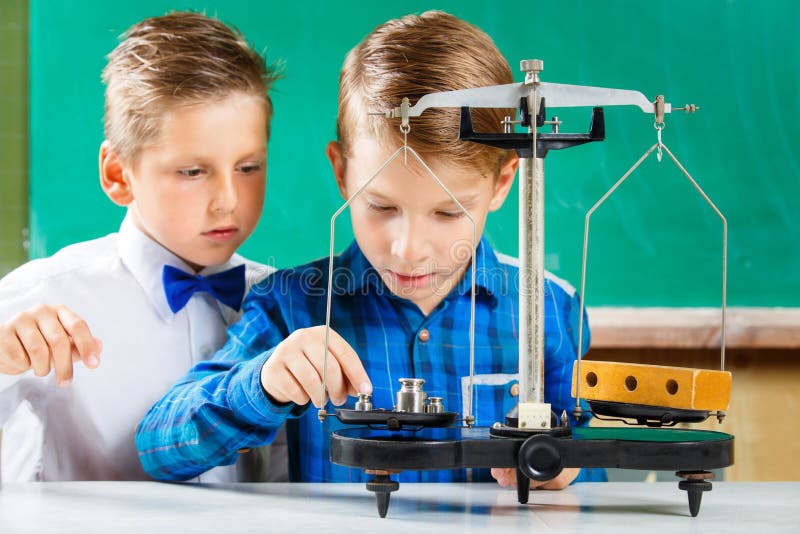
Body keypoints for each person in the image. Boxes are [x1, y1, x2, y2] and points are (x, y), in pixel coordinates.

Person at [136, 10, 606, 487]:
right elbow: (158, 447)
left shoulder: (549, 310)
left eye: (447, 213)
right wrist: (260, 385)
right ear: (342, 174)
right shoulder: (292, 308)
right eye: (381, 206)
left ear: (504, 181)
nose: (409, 249)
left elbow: (590, 474)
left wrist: (566, 473)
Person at [0, 11, 278, 481]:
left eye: (248, 167)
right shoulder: (39, 302)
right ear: (117, 174)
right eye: (192, 171)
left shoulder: (285, 302)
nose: (228, 201)